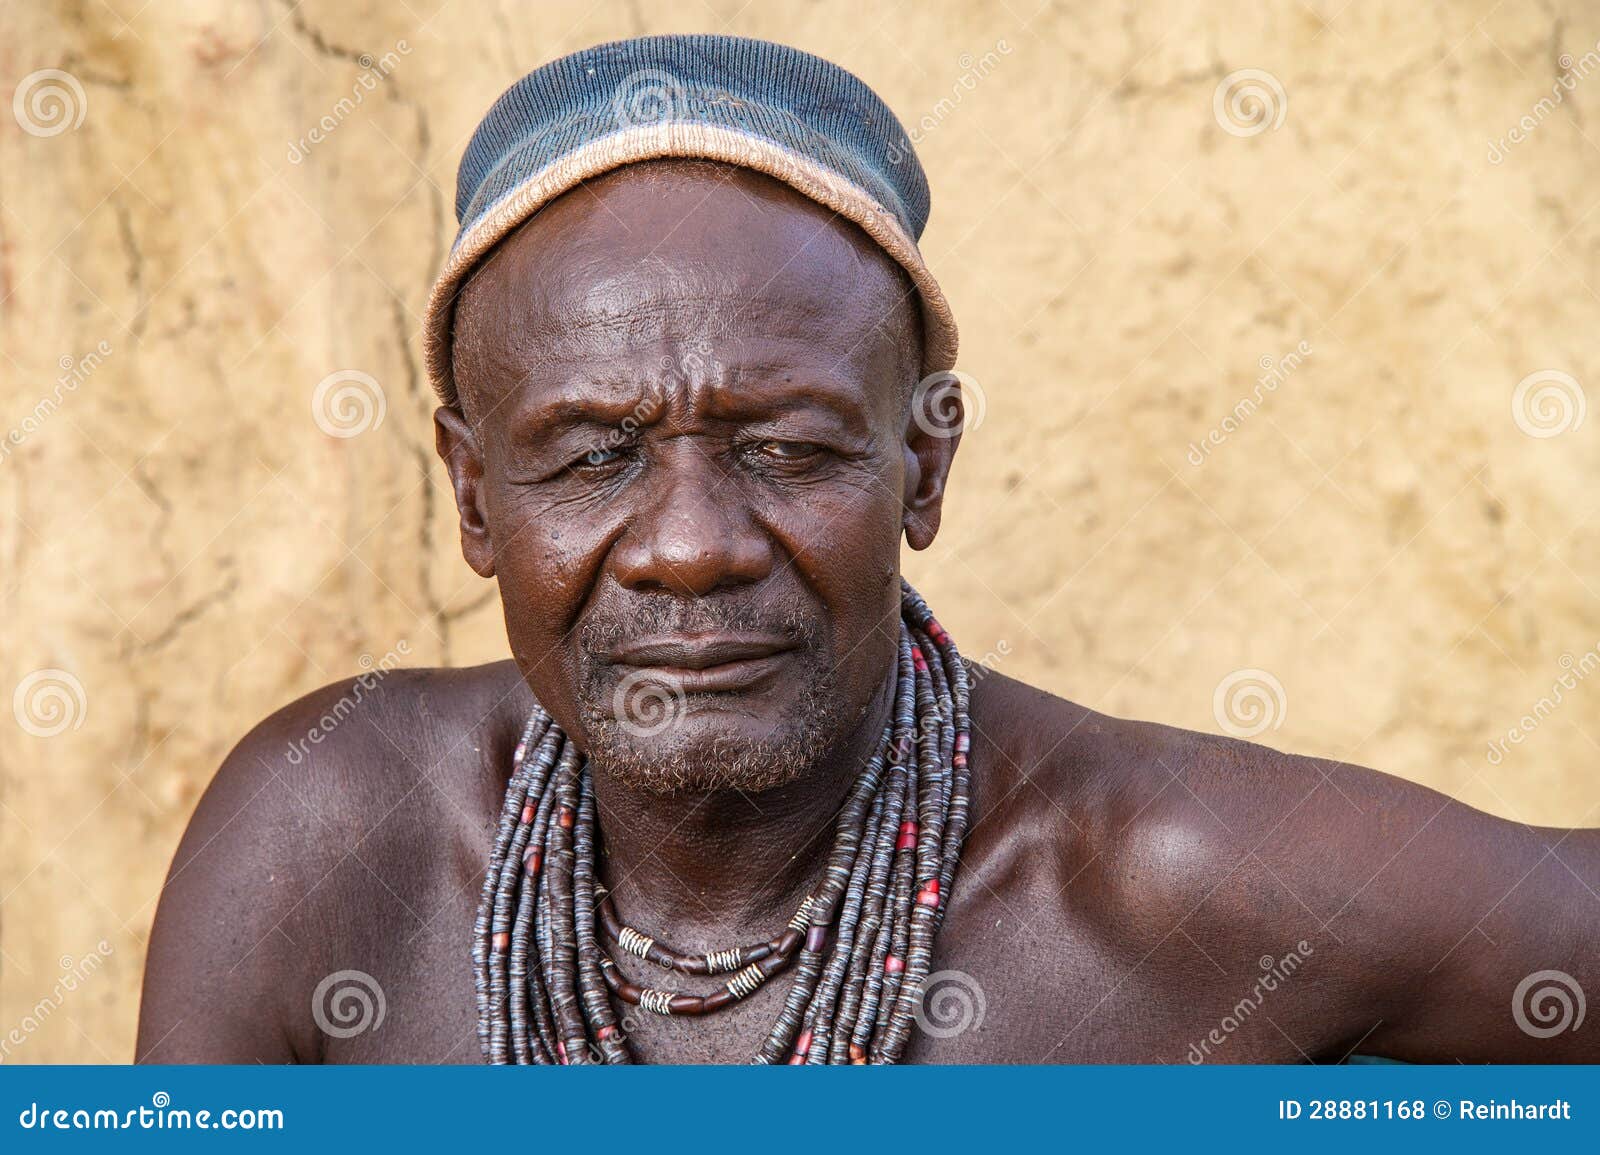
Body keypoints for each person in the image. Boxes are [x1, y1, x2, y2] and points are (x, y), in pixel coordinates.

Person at [137, 34, 1598, 1065]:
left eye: (789, 449)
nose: (694, 551)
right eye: (594, 458)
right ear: (471, 497)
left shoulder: (1171, 895)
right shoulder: (330, 845)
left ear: (924, 464)